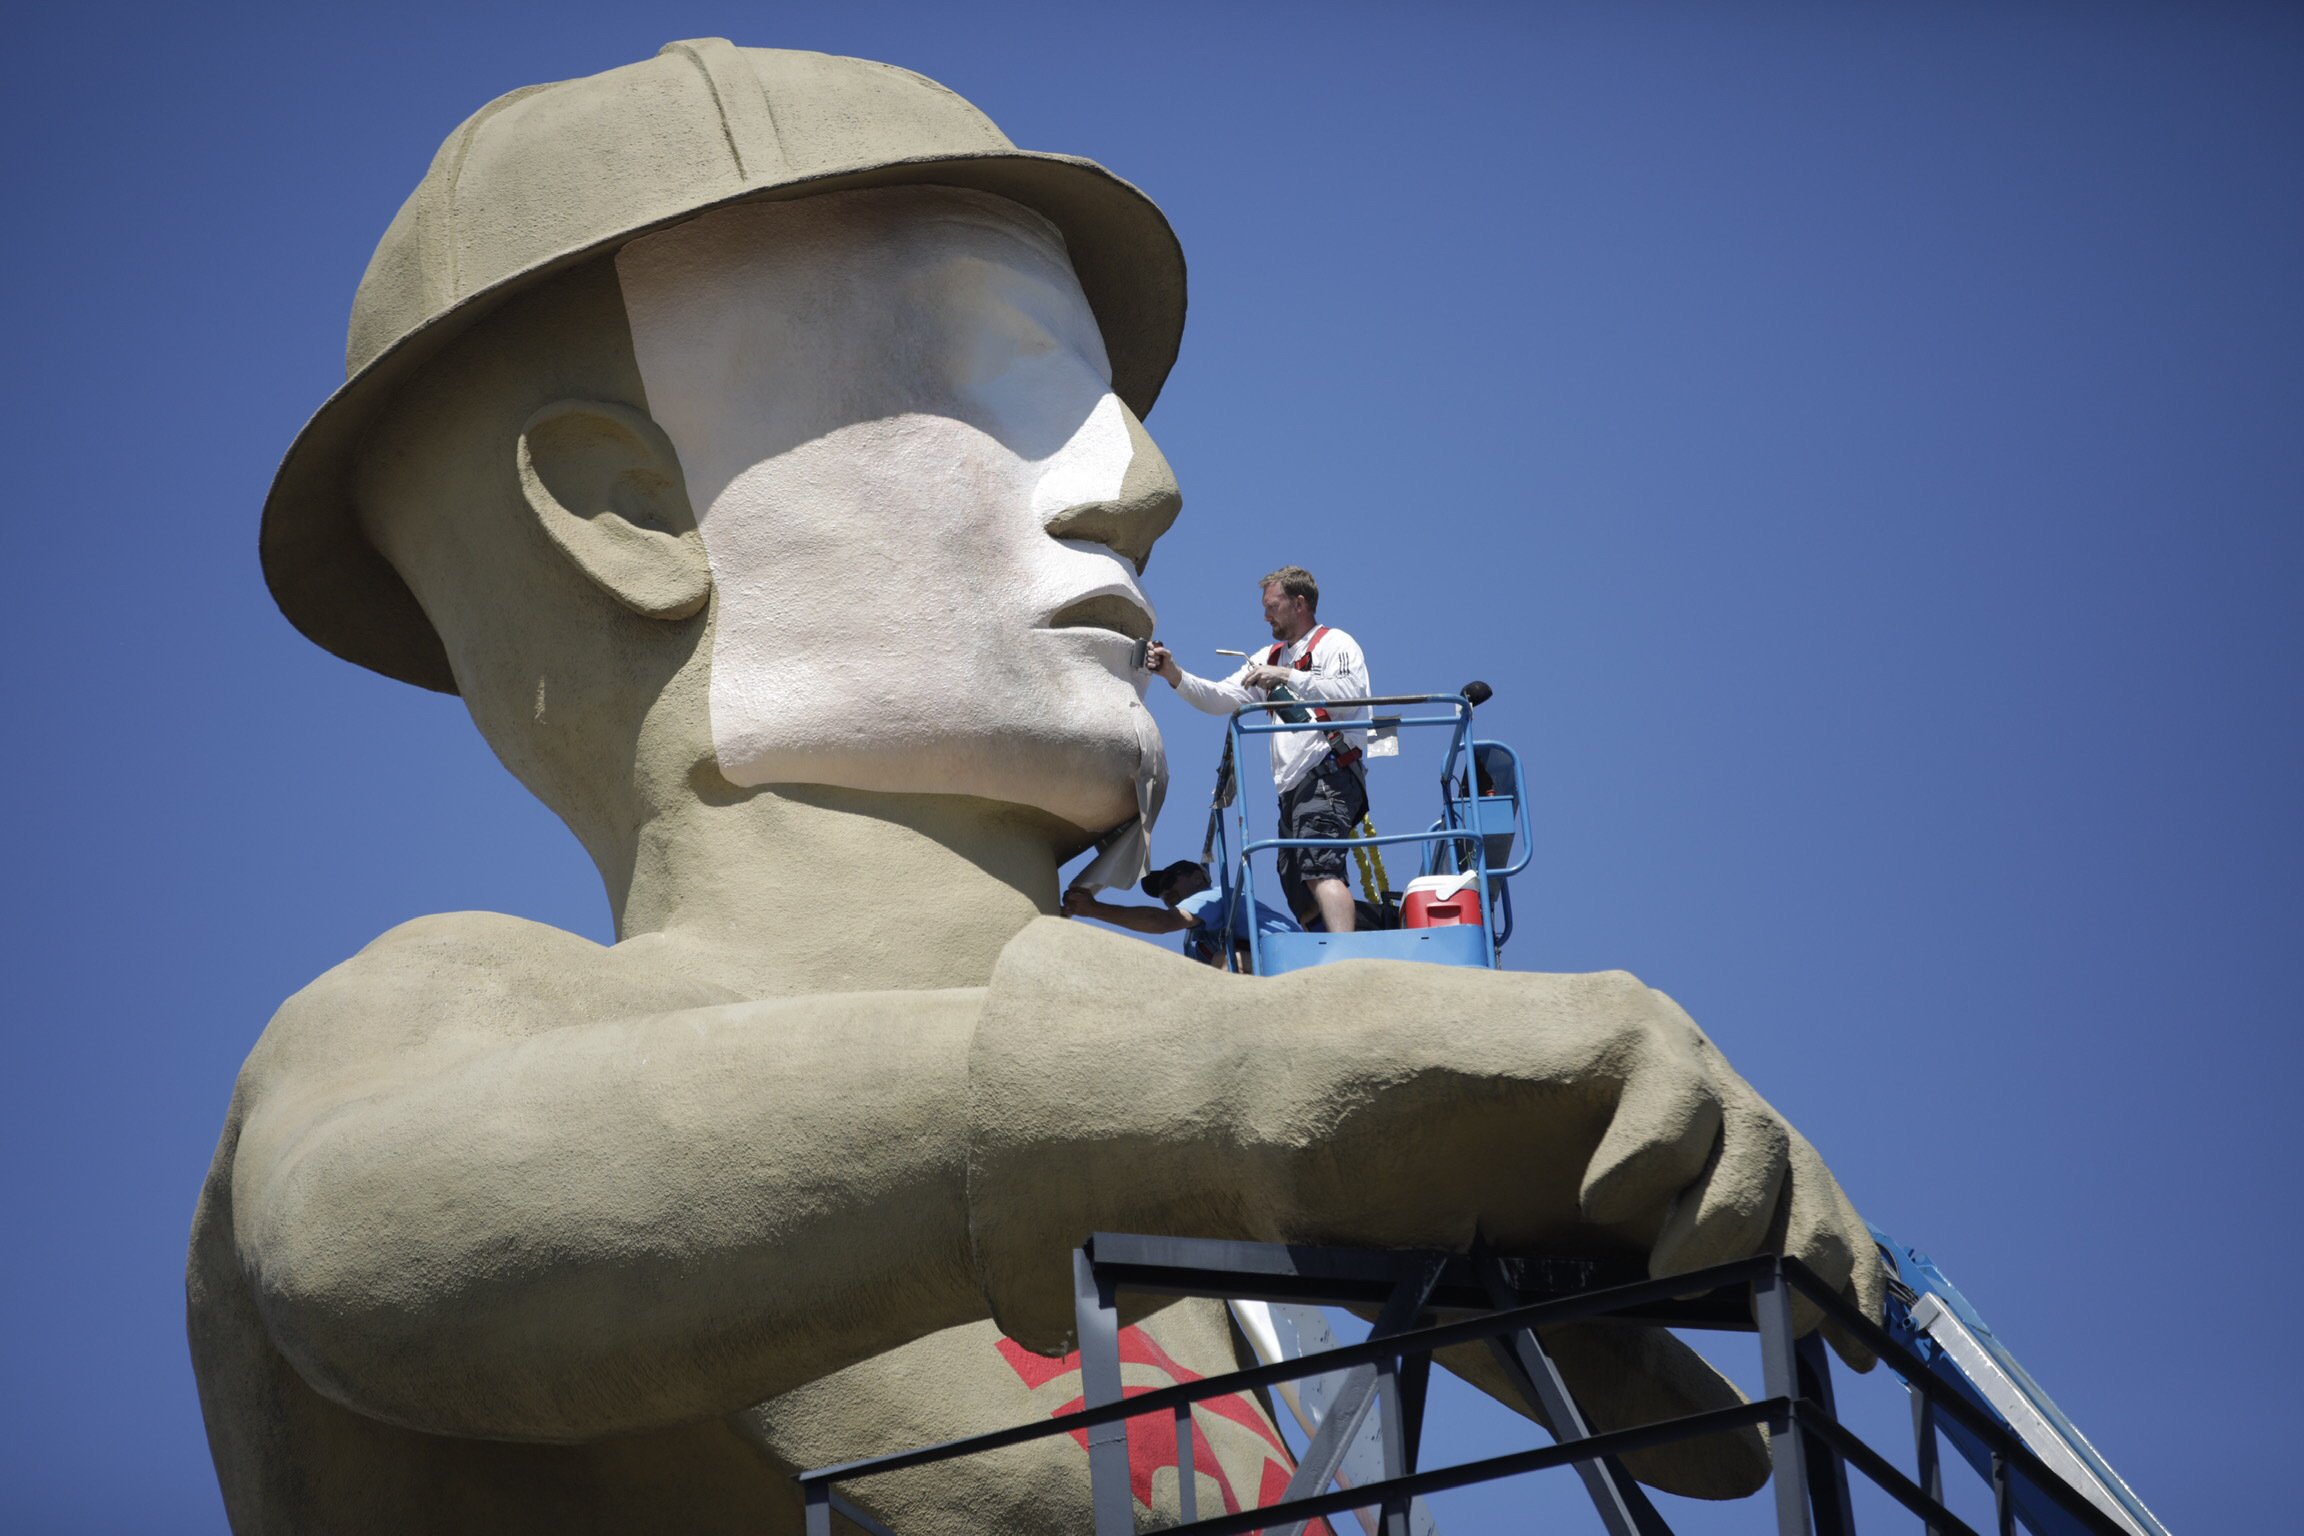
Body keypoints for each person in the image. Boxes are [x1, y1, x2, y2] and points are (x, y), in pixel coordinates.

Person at [189, 39, 1882, 1536]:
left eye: (1105, 400)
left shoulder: (1228, 1210)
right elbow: (370, 1245)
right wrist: (1231, 1094)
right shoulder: (471, 1017)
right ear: (625, 512)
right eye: (995, 382)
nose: (1139, 483)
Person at [1148, 567, 1371, 932]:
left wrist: (1287, 677)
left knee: (1320, 868)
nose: (1264, 615)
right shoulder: (1269, 656)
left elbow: (1351, 697)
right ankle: (1323, 950)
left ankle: (1345, 958)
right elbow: (1221, 698)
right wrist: (1174, 673)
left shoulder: (1336, 644)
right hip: (1293, 790)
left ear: (1299, 603)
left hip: (1328, 774)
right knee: (1298, 887)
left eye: (1272, 606)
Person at [1061, 858, 1298, 970]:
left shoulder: (1214, 896)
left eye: (1169, 881)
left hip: (1293, 956)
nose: (1164, 892)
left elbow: (1162, 921)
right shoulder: (1197, 941)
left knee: (1224, 961)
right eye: (1160, 892)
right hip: (1270, 963)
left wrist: (1094, 909)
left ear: (1198, 877)